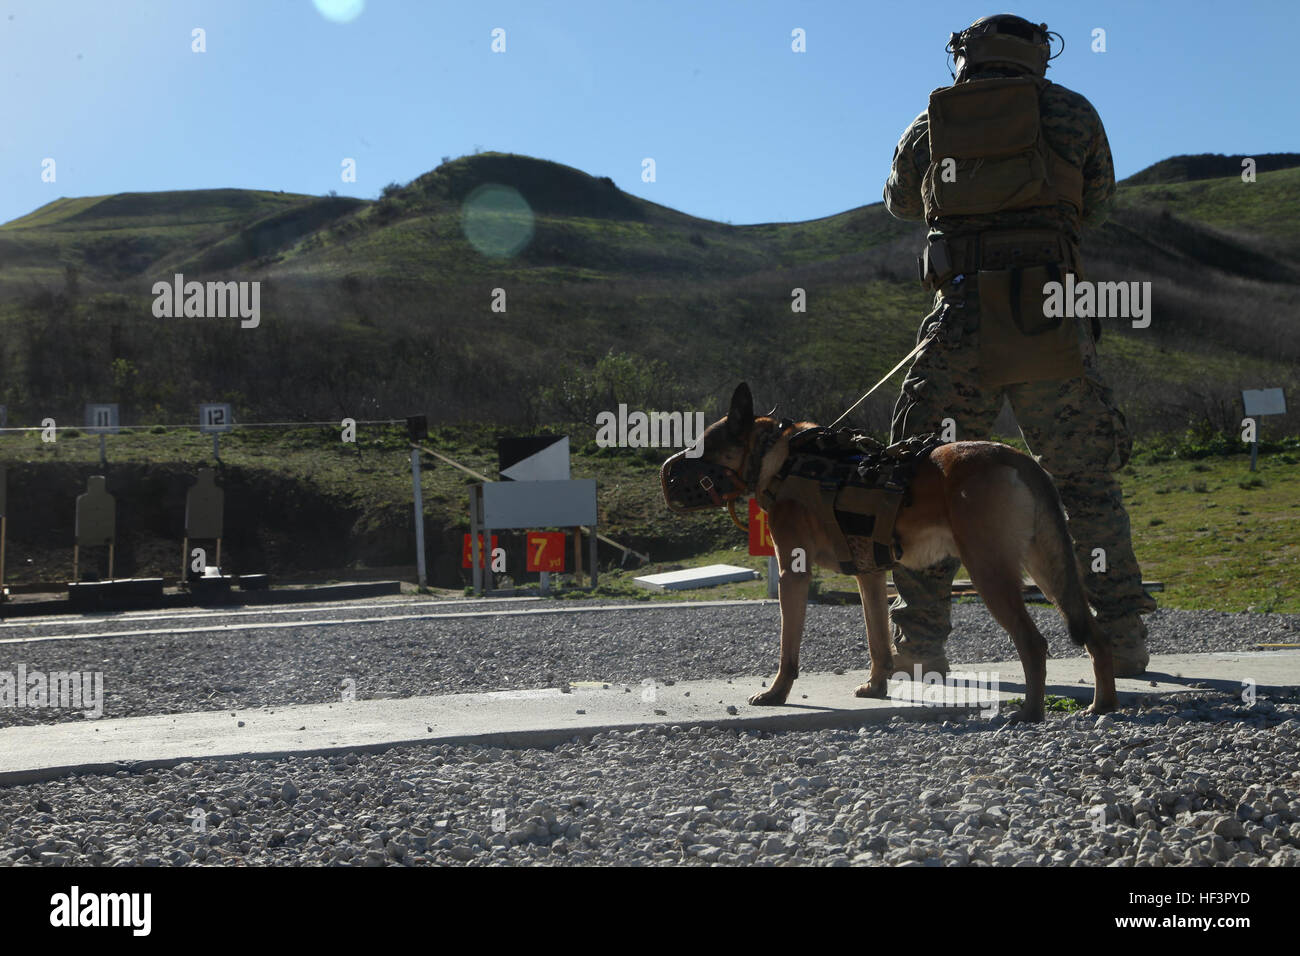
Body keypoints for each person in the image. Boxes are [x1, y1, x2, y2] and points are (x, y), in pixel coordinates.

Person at [882, 14, 1156, 677]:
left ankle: (920, 648)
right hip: (1052, 317)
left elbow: (898, 203)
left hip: (963, 319)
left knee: (924, 480)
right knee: (1085, 484)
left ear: (964, 57)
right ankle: (1117, 640)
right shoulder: (1071, 113)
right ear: (1037, 55)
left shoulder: (930, 121)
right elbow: (1098, 204)